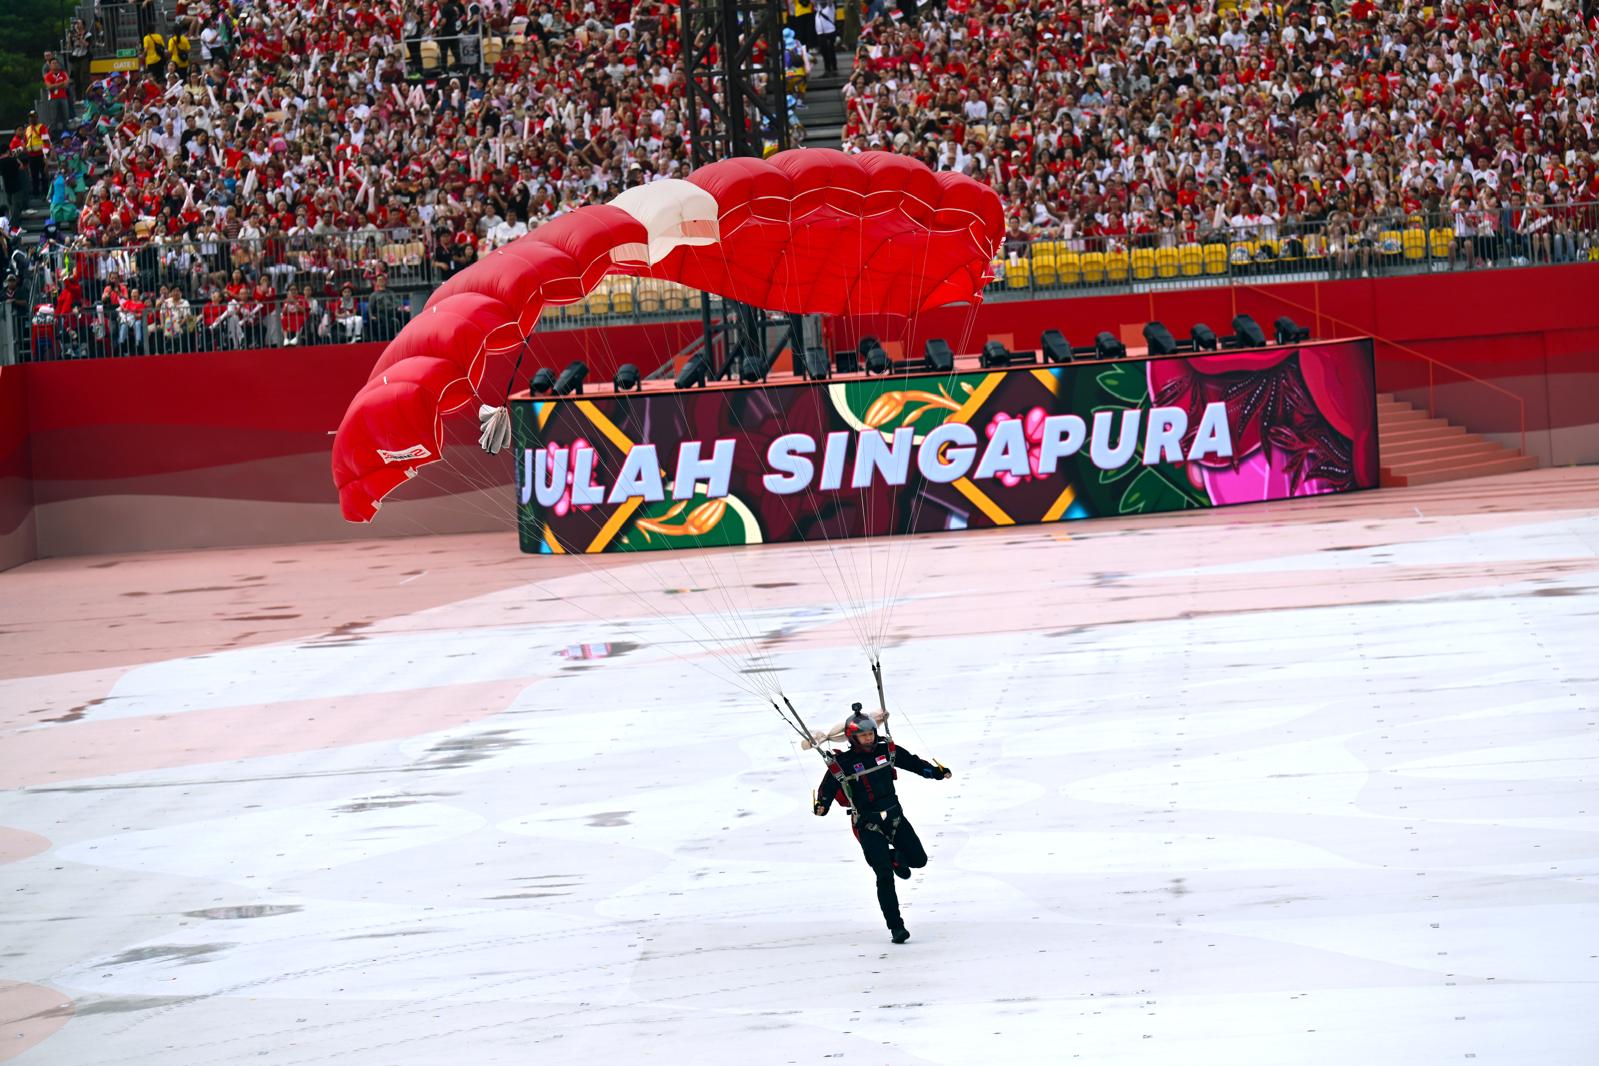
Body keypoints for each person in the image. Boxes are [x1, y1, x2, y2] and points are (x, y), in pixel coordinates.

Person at [813, 705, 952, 944]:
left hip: (894, 817)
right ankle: (896, 927)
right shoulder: (843, 763)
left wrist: (936, 773)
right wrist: (822, 805)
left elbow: (914, 764)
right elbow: (828, 790)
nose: (868, 738)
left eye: (870, 734)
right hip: (868, 824)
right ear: (852, 738)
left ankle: (897, 857)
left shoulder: (887, 751)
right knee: (884, 875)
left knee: (918, 860)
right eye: (863, 735)